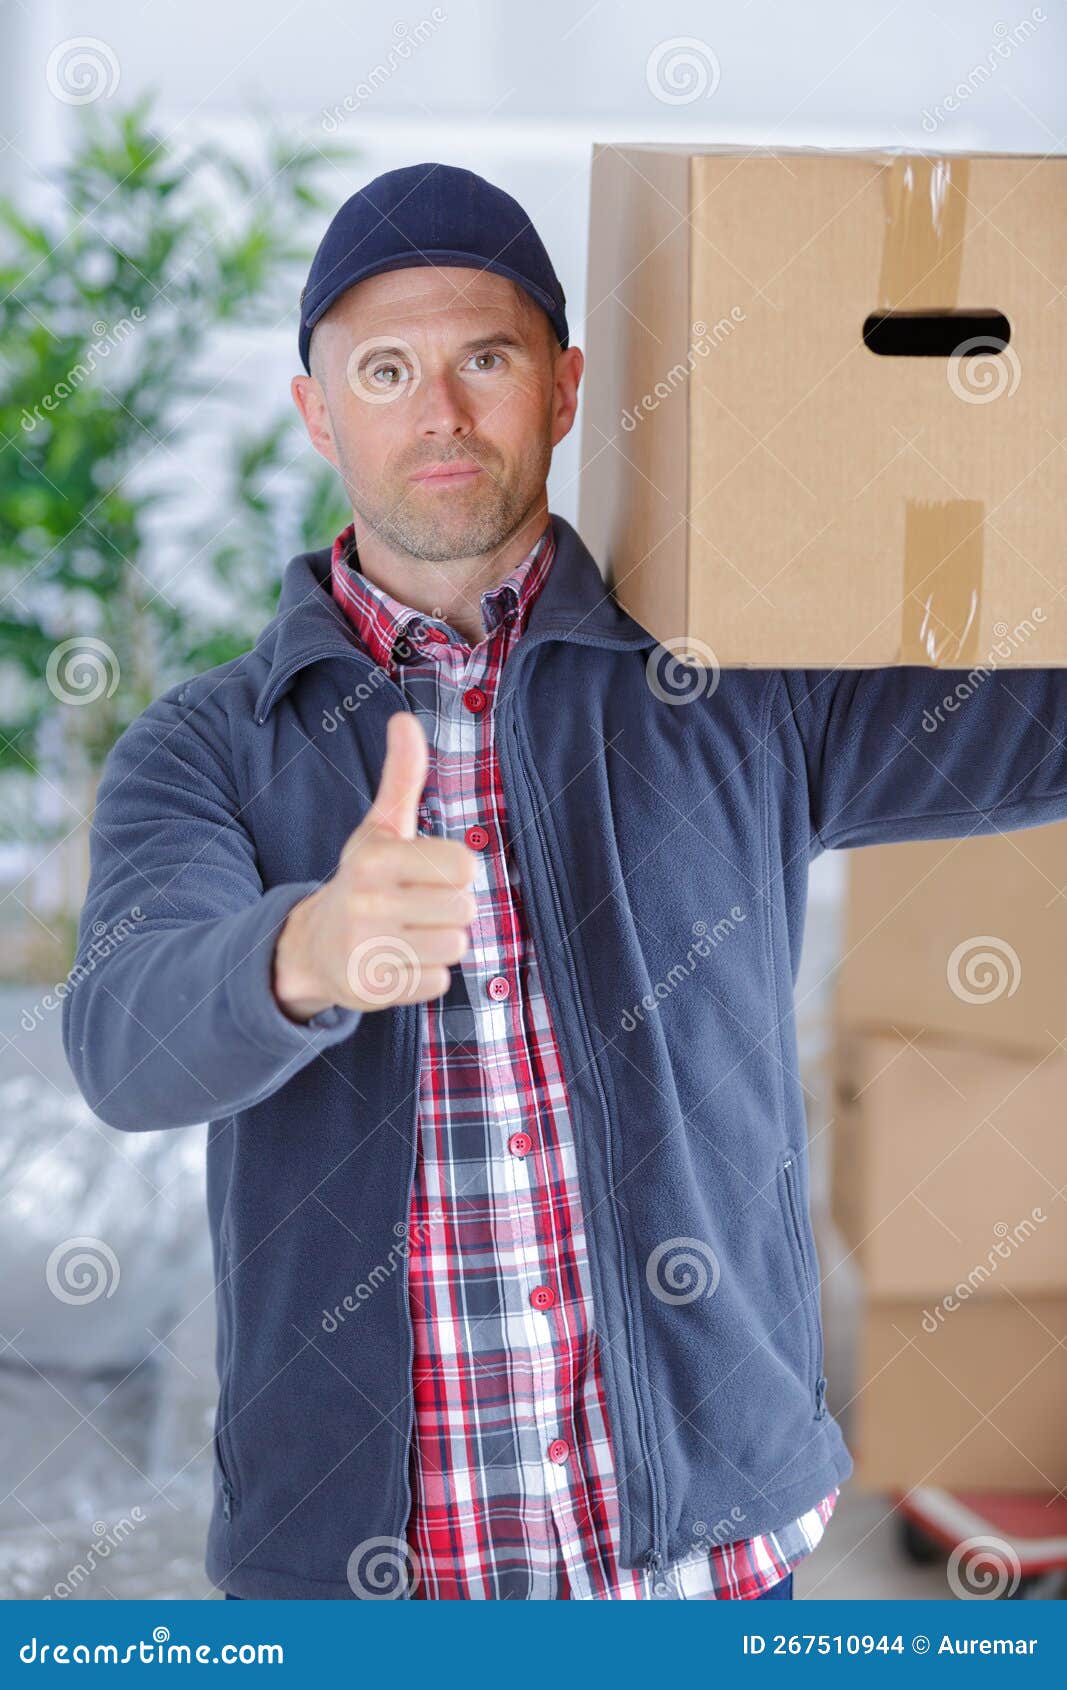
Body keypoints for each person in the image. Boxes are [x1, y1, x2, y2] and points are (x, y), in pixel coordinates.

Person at [62, 162, 1067, 1601]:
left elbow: (1037, 718)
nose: (442, 412)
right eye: (388, 369)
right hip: (368, 1589)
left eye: (485, 358)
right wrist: (307, 951)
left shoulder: (734, 687)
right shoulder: (208, 745)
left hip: (708, 1568)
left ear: (568, 384)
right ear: (317, 410)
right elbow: (121, 1040)